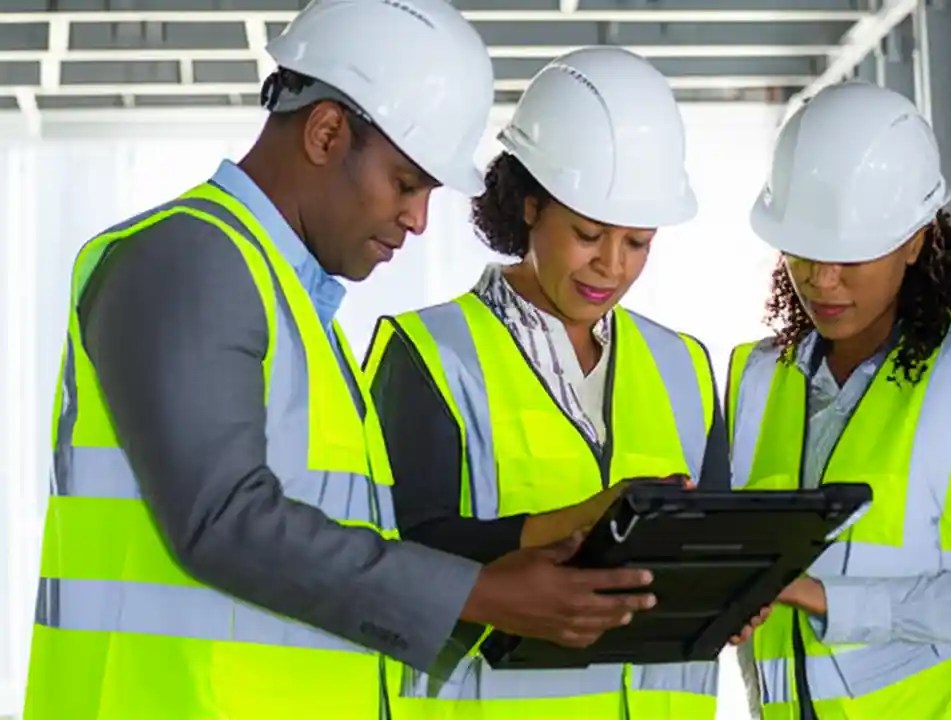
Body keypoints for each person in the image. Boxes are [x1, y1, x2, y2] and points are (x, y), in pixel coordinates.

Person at [22, 3, 661, 718]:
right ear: (327, 133)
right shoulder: (189, 258)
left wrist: (515, 566)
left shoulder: (294, 307)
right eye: (407, 183)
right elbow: (224, 520)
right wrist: (483, 594)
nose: (418, 220)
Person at [364, 47, 754, 719]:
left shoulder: (683, 364)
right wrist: (571, 522)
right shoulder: (429, 353)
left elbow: (710, 538)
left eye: (638, 243)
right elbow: (397, 556)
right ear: (528, 206)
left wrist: (732, 593)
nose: (611, 266)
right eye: (588, 234)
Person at [725, 81, 951, 718]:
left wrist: (834, 600)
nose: (820, 279)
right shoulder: (758, 380)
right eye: (803, 251)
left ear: (915, 242)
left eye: (849, 257)